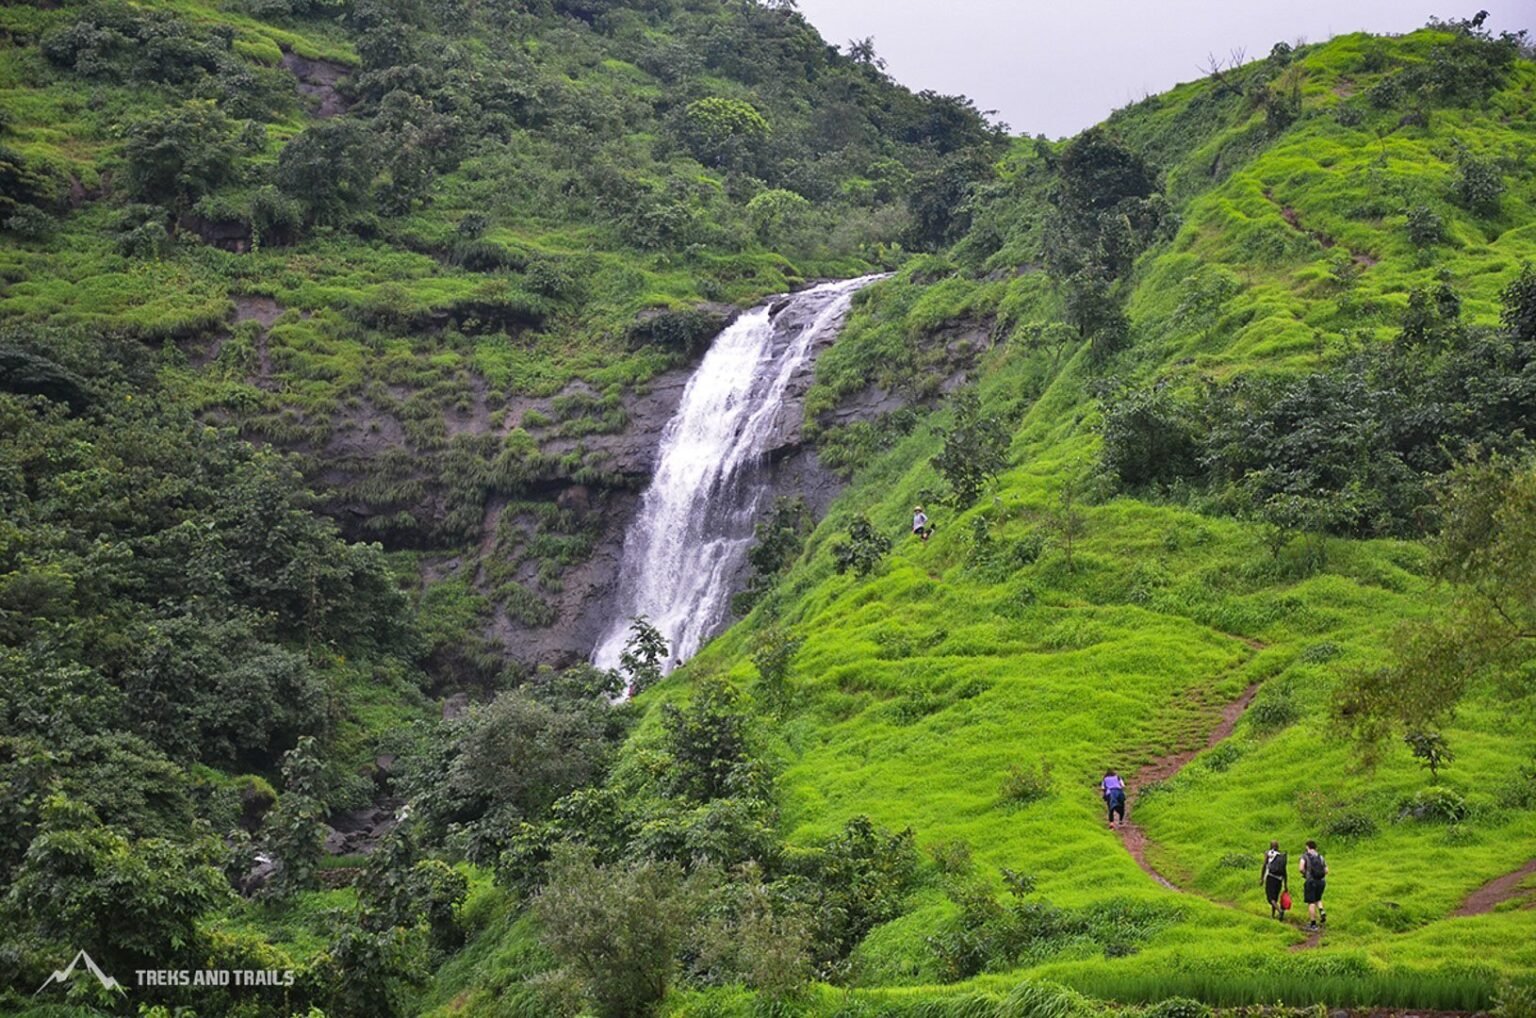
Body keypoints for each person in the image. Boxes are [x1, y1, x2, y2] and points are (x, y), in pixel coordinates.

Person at [1299, 839, 1328, 930]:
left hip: (1311, 881)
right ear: (1315, 847)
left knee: (1311, 902)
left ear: (1307, 847)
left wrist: (1306, 874)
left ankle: (1313, 924)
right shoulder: (1321, 857)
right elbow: (1326, 870)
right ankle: (1321, 911)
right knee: (1318, 898)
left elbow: (1301, 868)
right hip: (1321, 881)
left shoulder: (1305, 856)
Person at [1261, 840, 1288, 920]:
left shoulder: (1268, 853)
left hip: (1271, 877)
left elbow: (1264, 865)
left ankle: (1280, 911)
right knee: (1275, 897)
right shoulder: (1281, 856)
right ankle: (1273, 915)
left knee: (1270, 898)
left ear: (1270, 846)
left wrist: (1262, 878)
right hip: (1279, 879)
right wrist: (1285, 883)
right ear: (1278, 846)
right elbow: (1285, 871)